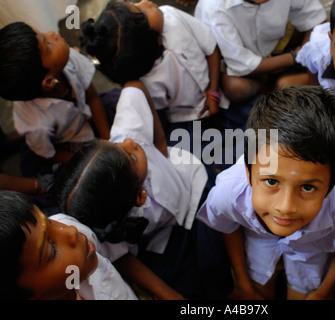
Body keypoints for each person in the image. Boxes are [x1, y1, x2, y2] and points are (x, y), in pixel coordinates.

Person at [197, 86, 335, 300]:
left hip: (311, 256)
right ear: (248, 174)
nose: (285, 207)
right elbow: (228, 226)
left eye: (307, 187)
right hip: (258, 246)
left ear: (331, 186)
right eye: (271, 181)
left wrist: (325, 291)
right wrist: (243, 283)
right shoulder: (228, 194)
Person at [53, 80, 232, 299]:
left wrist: (160, 144)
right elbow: (119, 255)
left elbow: (134, 87)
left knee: (215, 267)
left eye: (115, 145)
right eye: (130, 156)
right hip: (163, 238)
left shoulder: (126, 135)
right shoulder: (107, 228)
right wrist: (167, 294)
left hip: (196, 191)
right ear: (140, 197)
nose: (129, 142)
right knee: (189, 288)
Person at [0, 22, 114, 210]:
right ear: (48, 82)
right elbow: (49, 156)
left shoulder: (66, 60)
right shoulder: (37, 125)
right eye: (48, 44)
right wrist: (85, 157)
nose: (53, 33)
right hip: (68, 144)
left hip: (84, 118)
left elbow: (92, 97)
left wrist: (109, 139)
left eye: (44, 34)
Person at [81, 0, 228, 136]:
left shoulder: (171, 15)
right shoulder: (147, 79)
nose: (145, 2)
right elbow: (161, 111)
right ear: (146, 41)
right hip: (187, 119)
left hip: (217, 88)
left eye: (135, 2)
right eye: (140, 11)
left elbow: (211, 47)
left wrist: (213, 92)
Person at [0, 190, 138, 300]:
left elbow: (118, 257)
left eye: (50, 222)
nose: (71, 231)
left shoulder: (71, 229)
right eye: (51, 250)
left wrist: (159, 290)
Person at [194, 0, 327, 104]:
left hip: (277, 45)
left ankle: (275, 71)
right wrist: (294, 57)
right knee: (236, 87)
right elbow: (241, 63)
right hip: (236, 60)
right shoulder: (214, 7)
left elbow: (315, 18)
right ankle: (268, 78)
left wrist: (304, 51)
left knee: (324, 31)